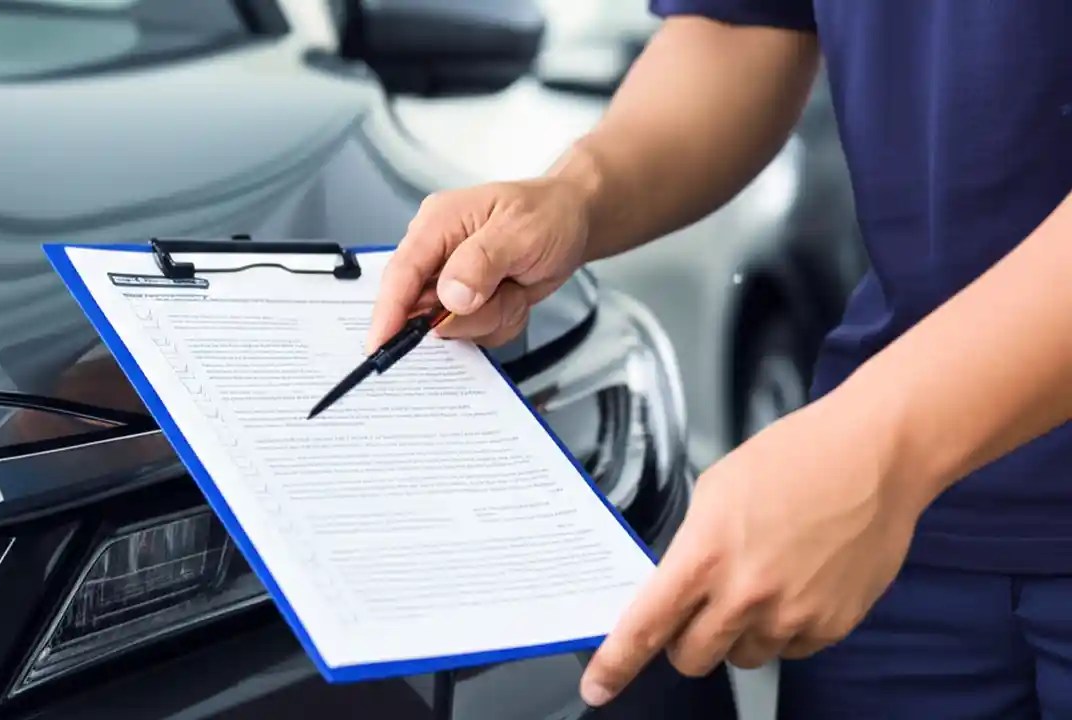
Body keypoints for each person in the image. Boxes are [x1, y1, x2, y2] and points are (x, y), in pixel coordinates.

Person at [364, 1, 1072, 717]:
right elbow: (743, 25)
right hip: (894, 566)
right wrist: (576, 195)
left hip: (888, 481)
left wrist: (887, 447)